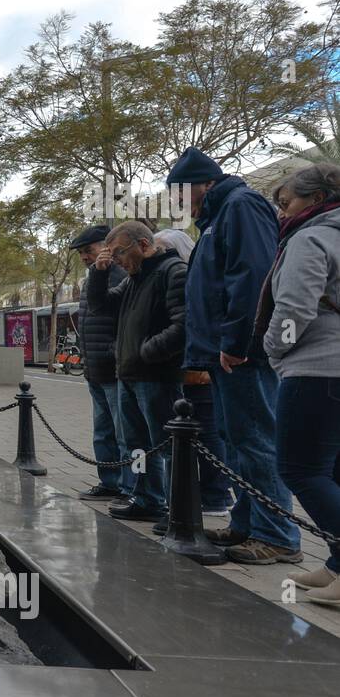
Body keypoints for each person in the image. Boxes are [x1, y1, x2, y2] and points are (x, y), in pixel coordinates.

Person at [169, 146, 300, 564]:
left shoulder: (241, 207)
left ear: (202, 186)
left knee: (257, 440)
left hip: (238, 353)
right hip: (221, 353)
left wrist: (237, 342)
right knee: (237, 441)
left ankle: (277, 534)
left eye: (180, 193)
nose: (177, 203)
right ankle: (247, 522)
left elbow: (252, 277)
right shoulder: (218, 216)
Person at [259, 163, 340, 602]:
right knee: (333, 471)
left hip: (315, 370)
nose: (281, 213)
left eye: (285, 203)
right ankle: (336, 564)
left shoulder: (311, 238)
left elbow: (293, 310)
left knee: (300, 469)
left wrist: (273, 349)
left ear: (315, 200)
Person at [88, 220, 186, 523]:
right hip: (129, 375)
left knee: (167, 446)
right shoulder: (133, 280)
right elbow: (102, 306)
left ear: (143, 245)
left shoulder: (172, 272)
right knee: (138, 447)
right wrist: (98, 273)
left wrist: (147, 351)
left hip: (156, 376)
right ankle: (147, 499)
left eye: (119, 253)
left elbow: (184, 324)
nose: (116, 260)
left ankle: (179, 510)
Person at [146, 226, 234, 535]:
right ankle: (205, 493)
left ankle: (216, 494)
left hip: (200, 372)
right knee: (196, 435)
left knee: (209, 435)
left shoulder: (183, 276)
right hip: (189, 370)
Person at [69, 224, 134, 501]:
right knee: (102, 433)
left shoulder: (122, 275)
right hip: (94, 369)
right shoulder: (92, 278)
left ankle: (130, 487)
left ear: (106, 247)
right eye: (82, 253)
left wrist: (112, 352)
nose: (85, 257)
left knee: (125, 435)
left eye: (89, 250)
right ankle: (110, 482)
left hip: (114, 369)